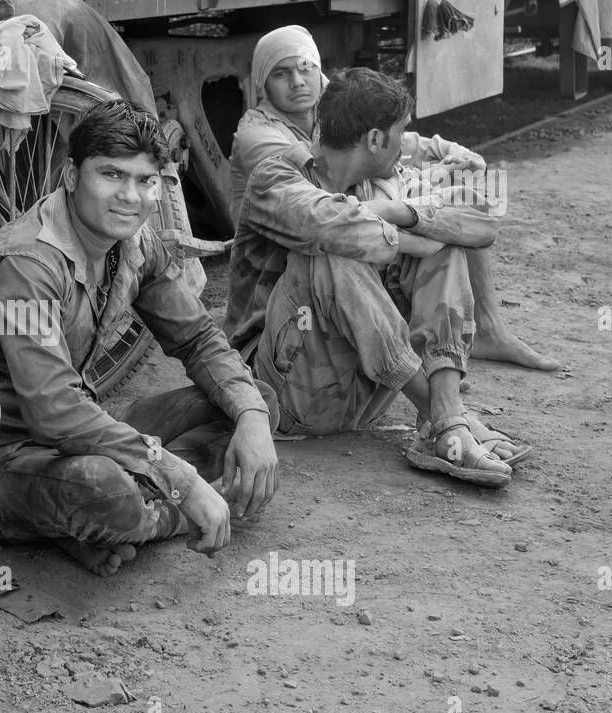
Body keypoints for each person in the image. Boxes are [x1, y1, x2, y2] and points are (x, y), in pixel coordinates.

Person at [0, 99, 279, 577]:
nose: (131, 196)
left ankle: (108, 524)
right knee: (104, 491)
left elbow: (198, 338)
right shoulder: (26, 264)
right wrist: (180, 479)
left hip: (83, 434)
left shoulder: (135, 242)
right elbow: (54, 410)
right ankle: (152, 514)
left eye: (145, 181)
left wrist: (251, 413)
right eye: (112, 175)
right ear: (73, 175)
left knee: (252, 400)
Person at [225, 67, 530, 488]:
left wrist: (407, 214)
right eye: (400, 132)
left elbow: (483, 224)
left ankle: (445, 415)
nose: (405, 145)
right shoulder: (276, 176)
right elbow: (325, 228)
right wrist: (419, 223)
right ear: (373, 140)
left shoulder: (380, 179)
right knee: (331, 253)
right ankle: (446, 423)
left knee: (442, 241)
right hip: (281, 393)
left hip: (366, 394)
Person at [229, 25, 559, 372]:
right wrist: (416, 213)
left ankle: (480, 335)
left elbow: (385, 140)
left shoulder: (325, 112)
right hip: (287, 275)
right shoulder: (259, 138)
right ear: (262, 83)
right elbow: (333, 180)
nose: (297, 81)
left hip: (351, 221)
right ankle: (422, 381)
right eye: (281, 73)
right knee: (420, 217)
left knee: (439, 210)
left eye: (305, 68)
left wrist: (449, 153)